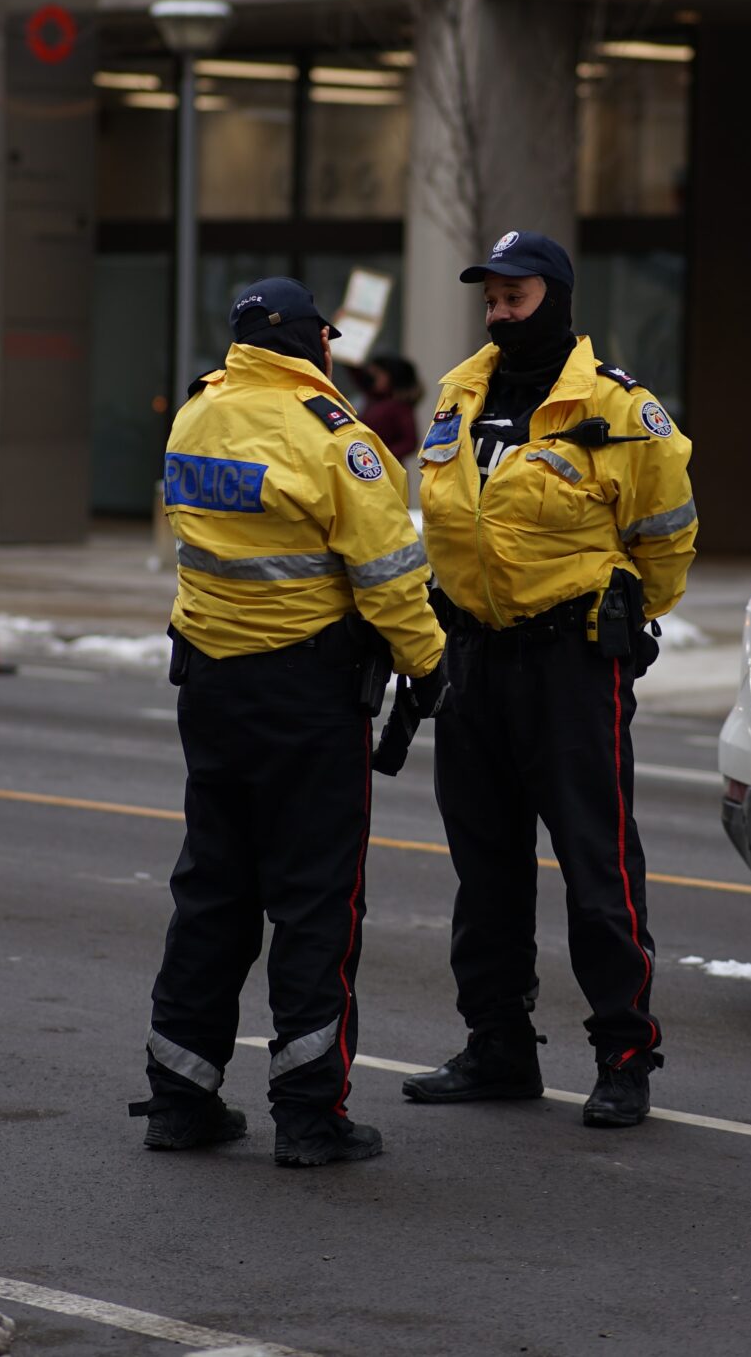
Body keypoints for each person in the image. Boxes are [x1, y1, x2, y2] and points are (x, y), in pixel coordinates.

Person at [134, 276, 446, 1168]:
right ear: (312, 342)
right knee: (315, 903)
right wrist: (429, 667)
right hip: (307, 697)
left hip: (213, 690)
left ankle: (180, 1098)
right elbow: (389, 573)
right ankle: (311, 1115)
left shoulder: (195, 414)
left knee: (213, 892)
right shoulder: (332, 436)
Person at [401, 230, 698, 1128]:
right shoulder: (460, 391)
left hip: (571, 666)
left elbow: (669, 535)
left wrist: (623, 613)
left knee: (596, 867)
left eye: (515, 296)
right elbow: (448, 520)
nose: (498, 311)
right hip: (474, 659)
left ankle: (624, 1054)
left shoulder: (616, 409)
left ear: (558, 300)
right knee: (484, 869)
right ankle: (497, 1045)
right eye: (491, 297)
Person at [358, 354, 422, 459]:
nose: (373, 379)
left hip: (382, 468)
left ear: (392, 376)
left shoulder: (399, 406)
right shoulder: (376, 398)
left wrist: (380, 455)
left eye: (378, 374)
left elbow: (410, 442)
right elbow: (358, 376)